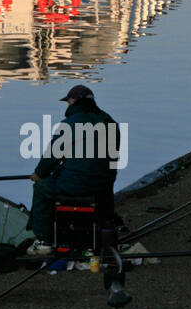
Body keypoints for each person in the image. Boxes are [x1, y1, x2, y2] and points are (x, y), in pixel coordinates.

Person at [27, 85, 121, 257]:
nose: (67, 106)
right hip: (104, 187)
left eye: (68, 102)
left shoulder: (68, 124)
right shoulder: (110, 123)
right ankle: (107, 226)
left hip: (77, 185)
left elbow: (51, 157)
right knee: (100, 183)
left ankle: (44, 241)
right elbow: (112, 160)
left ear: (74, 102)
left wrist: (38, 174)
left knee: (41, 188)